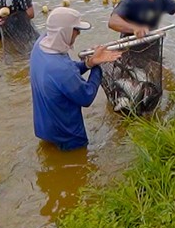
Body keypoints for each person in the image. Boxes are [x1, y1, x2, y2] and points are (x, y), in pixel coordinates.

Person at [29, 8, 122, 151]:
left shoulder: (39, 47)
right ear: (64, 32)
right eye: (76, 29)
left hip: (44, 128)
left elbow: (66, 74)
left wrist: (88, 63)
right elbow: (87, 96)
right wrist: (98, 65)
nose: (78, 33)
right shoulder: (62, 69)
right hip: (68, 136)